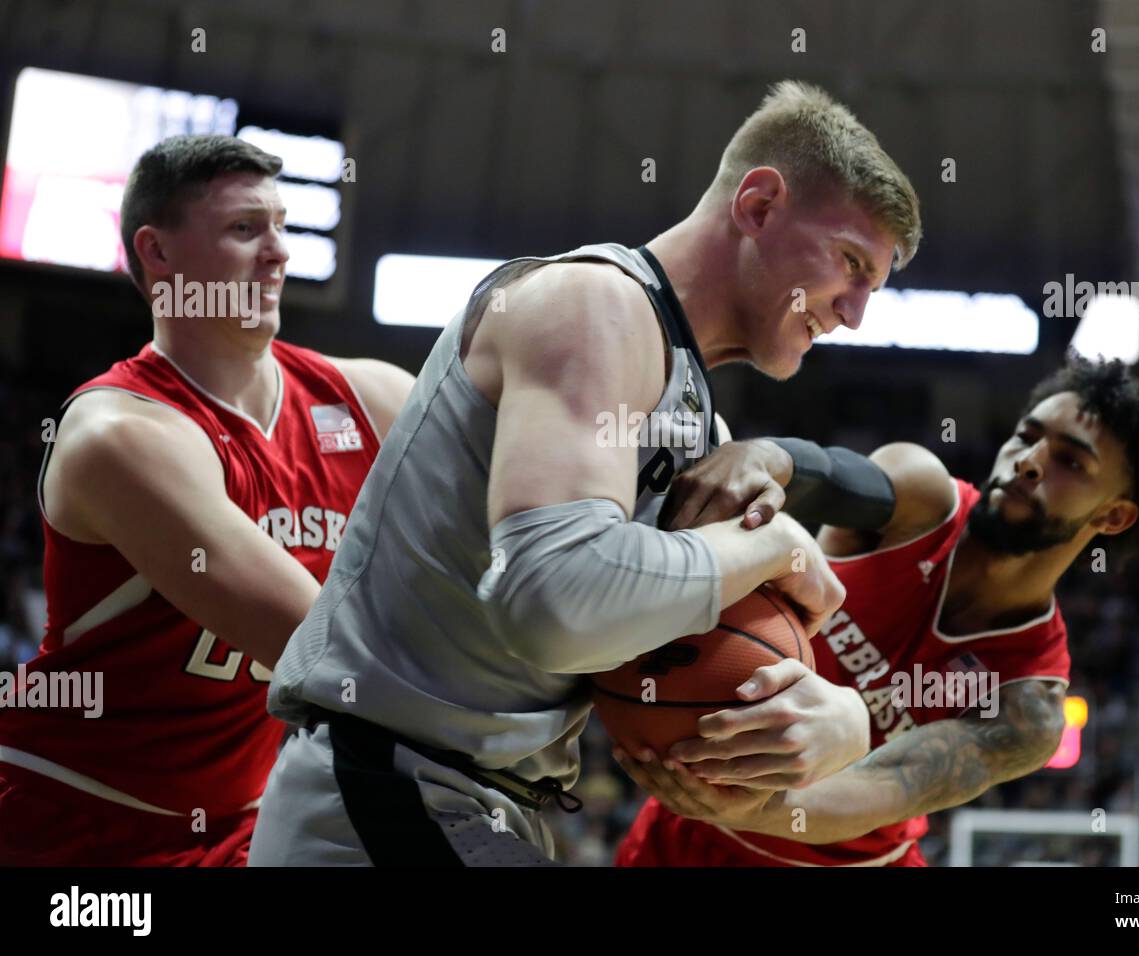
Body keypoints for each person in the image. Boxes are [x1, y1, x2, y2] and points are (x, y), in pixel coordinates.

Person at [249, 79, 922, 866]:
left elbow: (657, 641)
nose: (854, 314)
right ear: (760, 205)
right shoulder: (591, 305)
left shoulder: (700, 422)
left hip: (475, 800)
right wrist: (780, 547)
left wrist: (835, 721)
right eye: (850, 264)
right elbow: (553, 599)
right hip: (386, 785)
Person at [0, 135, 414, 866]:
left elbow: (529, 522)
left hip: (236, 825)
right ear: (158, 254)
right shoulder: (117, 433)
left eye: (282, 226)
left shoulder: (371, 398)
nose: (279, 252)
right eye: (245, 228)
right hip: (71, 821)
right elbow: (319, 646)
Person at [614, 355, 1139, 866]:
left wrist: (749, 806)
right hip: (688, 837)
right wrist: (766, 455)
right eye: (1026, 436)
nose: (1027, 462)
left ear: (1112, 517)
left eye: (1070, 461)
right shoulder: (922, 501)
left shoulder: (1028, 701)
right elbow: (833, 476)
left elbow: (893, 782)